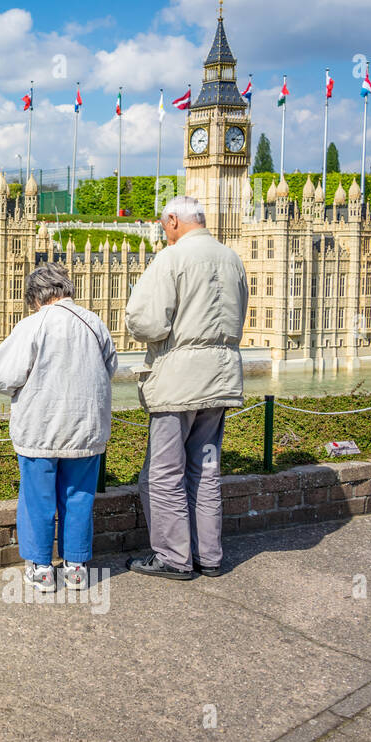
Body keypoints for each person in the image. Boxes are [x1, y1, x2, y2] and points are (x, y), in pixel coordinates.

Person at [124, 196, 248, 580]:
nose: (165, 234)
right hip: (222, 379)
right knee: (206, 468)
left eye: (164, 227)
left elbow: (146, 322)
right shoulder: (233, 259)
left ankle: (173, 557)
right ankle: (208, 555)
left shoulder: (171, 259)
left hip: (179, 384)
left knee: (163, 472)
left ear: (174, 221)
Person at [0, 263, 117, 592]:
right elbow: (110, 367)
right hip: (86, 429)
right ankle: (76, 567)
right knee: (78, 498)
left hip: (41, 429)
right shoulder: (95, 323)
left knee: (37, 500)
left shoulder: (33, 325)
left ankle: (42, 568)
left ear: (36, 297)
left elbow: (2, 376)